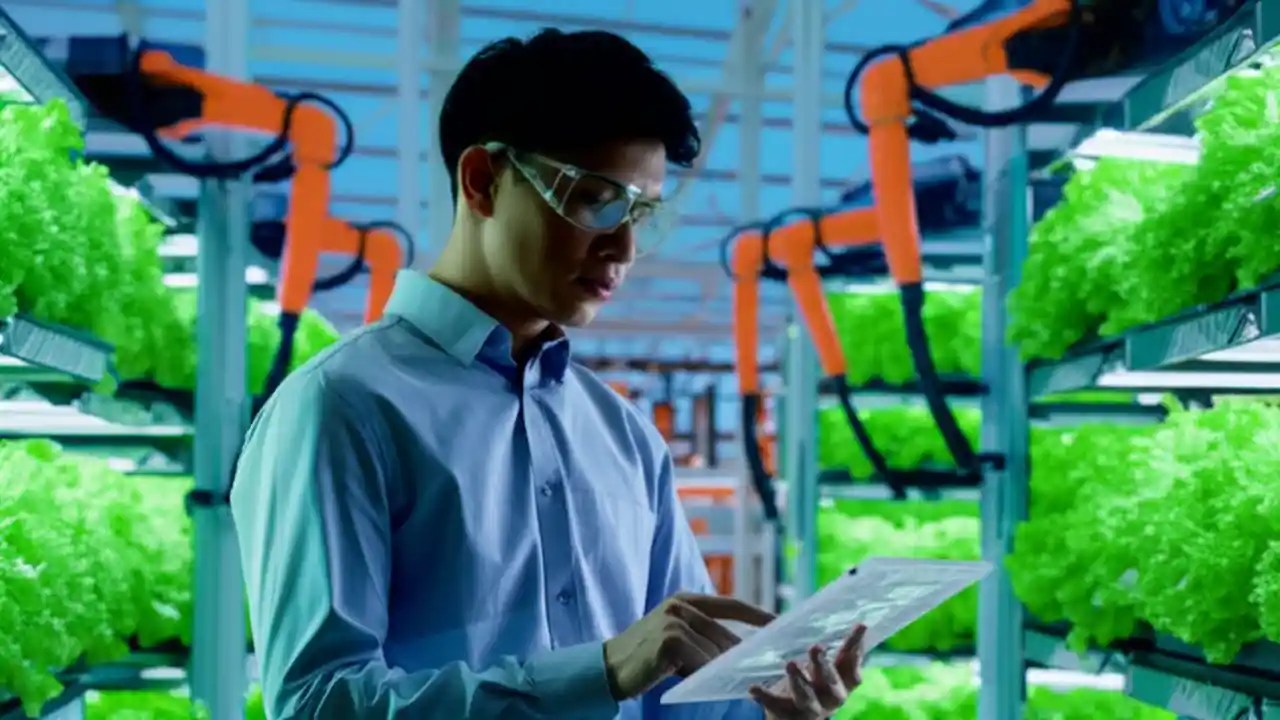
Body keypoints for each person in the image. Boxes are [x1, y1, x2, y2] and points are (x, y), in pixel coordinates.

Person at [231, 27, 866, 720]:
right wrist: (597, 672)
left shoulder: (622, 435)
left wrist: (773, 710)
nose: (623, 247)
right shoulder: (342, 406)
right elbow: (318, 703)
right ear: (481, 181)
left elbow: (681, 701)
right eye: (598, 199)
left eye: (642, 213)